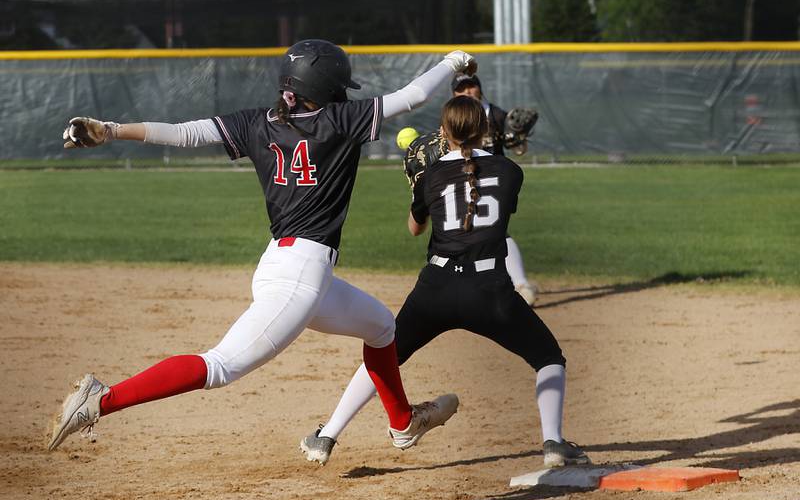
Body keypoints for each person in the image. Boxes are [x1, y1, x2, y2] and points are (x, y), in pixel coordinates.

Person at [48, 39, 476, 453]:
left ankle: (402, 422)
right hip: (301, 276)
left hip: (284, 264)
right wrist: (453, 61)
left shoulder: (257, 122)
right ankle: (101, 401)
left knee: (382, 328)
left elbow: (184, 133)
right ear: (325, 87)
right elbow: (414, 95)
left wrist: (110, 130)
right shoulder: (340, 120)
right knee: (220, 365)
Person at [300, 96, 589, 468]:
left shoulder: (432, 176)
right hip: (491, 292)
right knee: (548, 358)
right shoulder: (510, 171)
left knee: (386, 353)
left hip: (434, 290)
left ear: (443, 132)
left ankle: (326, 437)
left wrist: (418, 188)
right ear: (485, 130)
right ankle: (553, 443)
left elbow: (415, 228)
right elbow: (487, 209)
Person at [403, 73, 539, 305]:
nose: (467, 91)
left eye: (471, 86)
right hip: (467, 182)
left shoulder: (494, 115)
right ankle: (518, 285)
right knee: (493, 236)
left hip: (487, 183)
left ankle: (518, 284)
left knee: (486, 236)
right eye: (461, 88)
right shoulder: (511, 170)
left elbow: (517, 148)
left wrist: (518, 137)